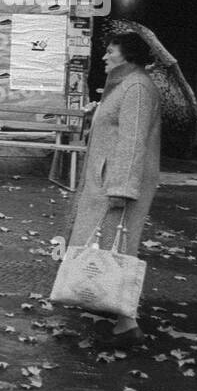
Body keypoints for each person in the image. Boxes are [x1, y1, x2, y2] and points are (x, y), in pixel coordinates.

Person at [67, 31, 162, 348]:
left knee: (119, 248)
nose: (105, 57)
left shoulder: (136, 87)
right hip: (106, 182)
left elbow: (133, 140)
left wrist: (122, 188)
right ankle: (112, 310)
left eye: (110, 52)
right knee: (109, 247)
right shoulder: (125, 85)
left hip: (118, 185)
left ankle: (127, 323)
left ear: (128, 56)